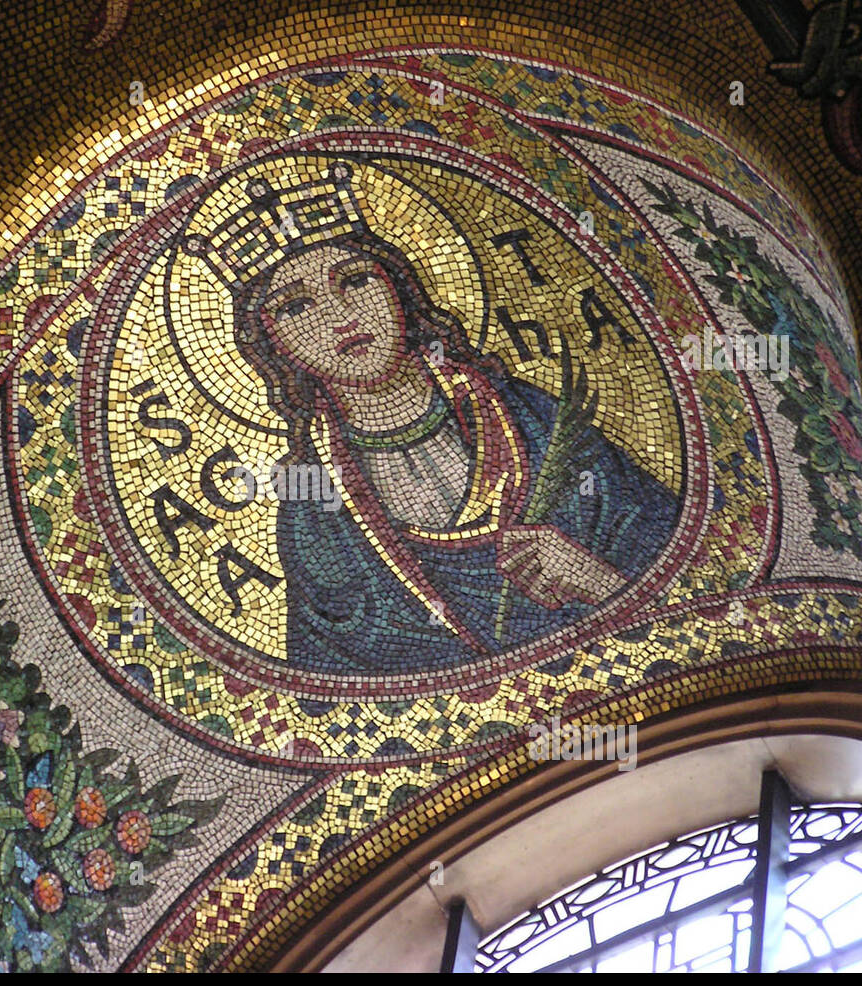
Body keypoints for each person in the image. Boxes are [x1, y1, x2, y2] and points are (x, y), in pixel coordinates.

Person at [182, 162, 677, 673]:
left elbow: (678, 578)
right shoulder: (312, 510)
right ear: (275, 347)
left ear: (400, 290)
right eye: (296, 308)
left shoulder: (532, 420)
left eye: (354, 281)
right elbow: (341, 677)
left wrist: (598, 581)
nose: (339, 315)